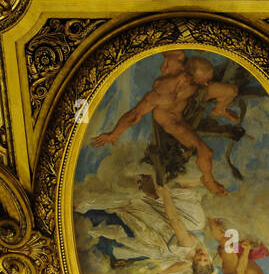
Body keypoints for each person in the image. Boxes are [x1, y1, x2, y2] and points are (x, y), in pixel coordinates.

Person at [92, 50, 238, 195]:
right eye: (204, 80)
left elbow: (166, 42)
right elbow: (134, 115)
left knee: (231, 91)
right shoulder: (161, 95)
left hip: (191, 96)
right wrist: (113, 134)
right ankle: (208, 180)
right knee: (206, 152)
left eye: (208, 80)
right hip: (173, 119)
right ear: (188, 78)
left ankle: (220, 110)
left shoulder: (178, 58)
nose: (207, 83)